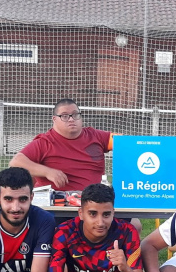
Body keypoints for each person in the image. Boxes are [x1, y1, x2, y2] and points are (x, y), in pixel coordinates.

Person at [10, 98, 140, 230]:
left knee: (135, 225)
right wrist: (48, 172)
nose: (71, 119)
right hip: (59, 207)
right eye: (65, 116)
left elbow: (126, 143)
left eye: (75, 115)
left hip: (95, 203)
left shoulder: (96, 136)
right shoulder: (44, 142)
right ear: (54, 119)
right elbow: (15, 163)